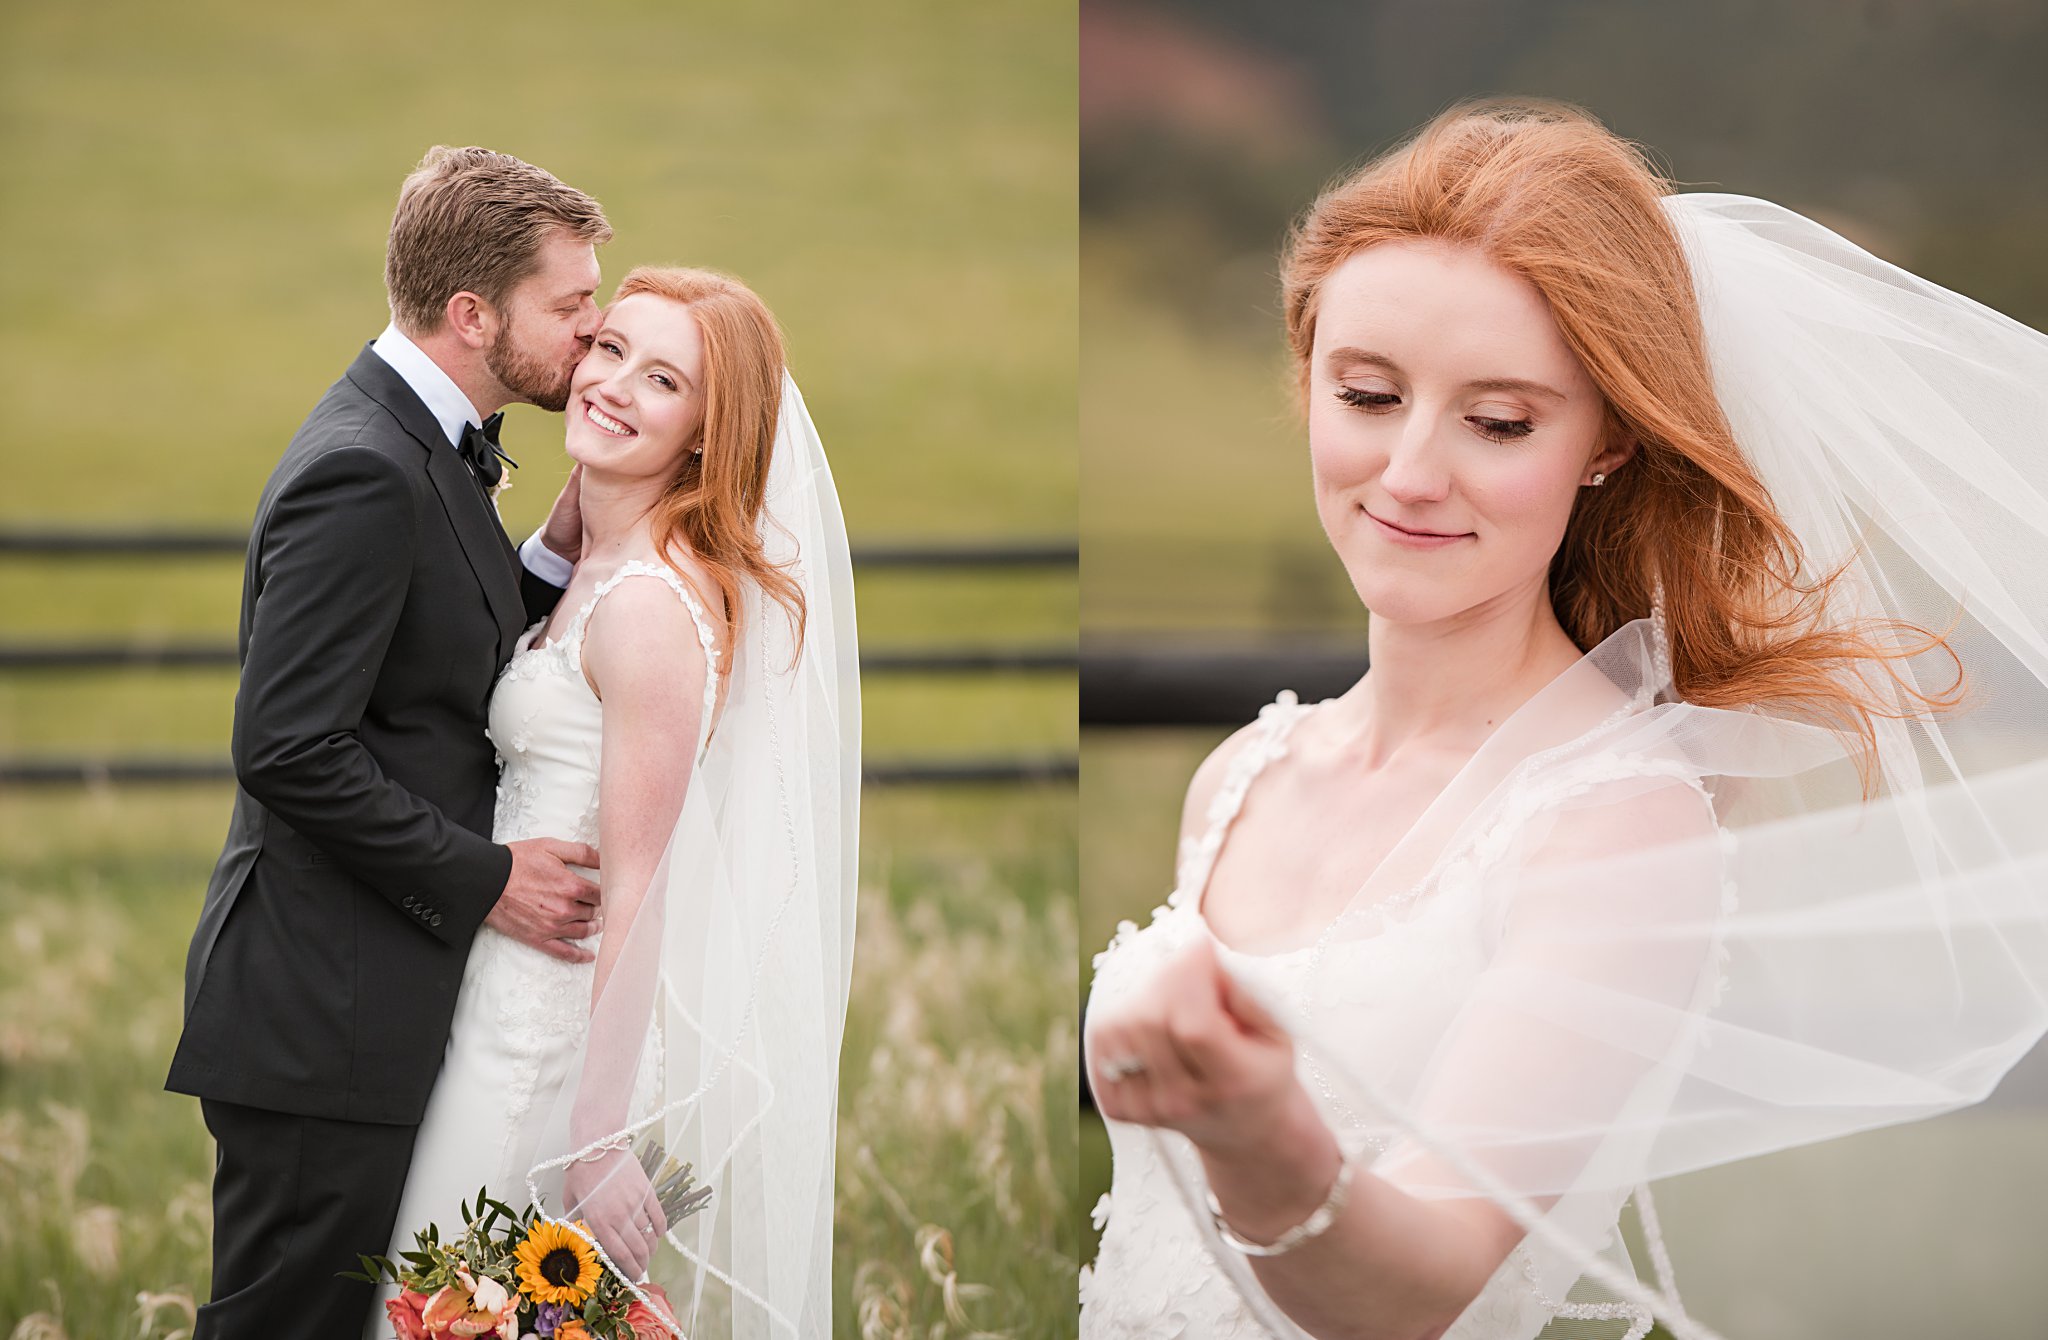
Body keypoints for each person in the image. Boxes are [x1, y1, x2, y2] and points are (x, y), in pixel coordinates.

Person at [1080, 100, 2048, 1340]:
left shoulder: (1616, 826)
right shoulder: (1238, 777)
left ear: (1606, 443)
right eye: (1367, 393)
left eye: (1497, 421)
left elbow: (1419, 1288)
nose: (1412, 471)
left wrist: (1255, 1129)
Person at [166, 145, 616, 1338]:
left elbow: (419, 669)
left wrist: (551, 563)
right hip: (323, 1014)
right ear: (473, 313)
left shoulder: (420, 437)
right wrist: (492, 880)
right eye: (570, 305)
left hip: (365, 1001)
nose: (594, 329)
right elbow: (288, 745)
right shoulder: (365, 469)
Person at [367, 267, 860, 1340]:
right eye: (608, 350)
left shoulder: (646, 609)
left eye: (663, 378)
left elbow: (643, 874)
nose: (614, 385)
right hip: (494, 999)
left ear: (703, 433)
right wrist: (554, 547)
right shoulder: (596, 564)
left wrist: (593, 1135)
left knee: (449, 1303)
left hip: (545, 1042)